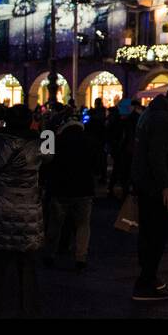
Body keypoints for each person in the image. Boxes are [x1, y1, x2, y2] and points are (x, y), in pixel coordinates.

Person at [0, 104, 48, 317]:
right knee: (27, 266)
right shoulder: (40, 142)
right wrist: (46, 129)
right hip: (28, 210)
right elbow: (51, 156)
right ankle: (28, 309)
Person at [130, 82, 168, 301]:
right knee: (158, 233)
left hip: (144, 182)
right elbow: (157, 155)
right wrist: (166, 184)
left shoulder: (150, 113)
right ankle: (145, 282)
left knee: (149, 232)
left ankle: (149, 276)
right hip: (155, 186)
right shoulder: (164, 119)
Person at [43, 106, 96, 272]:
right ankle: (81, 256)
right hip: (84, 188)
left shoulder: (53, 138)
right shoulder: (89, 139)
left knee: (55, 224)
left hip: (60, 188)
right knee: (83, 224)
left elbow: (44, 161)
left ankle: (50, 254)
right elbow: (97, 164)